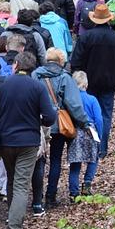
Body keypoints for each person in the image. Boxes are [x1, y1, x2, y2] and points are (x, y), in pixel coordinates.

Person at [0, 51, 56, 229]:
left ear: (16, 65)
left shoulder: (2, 83)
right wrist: (38, 119)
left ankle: (12, 219)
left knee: (12, 179)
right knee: (21, 184)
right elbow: (50, 116)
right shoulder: (37, 87)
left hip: (6, 140)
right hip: (28, 142)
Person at [69, 3, 115, 167]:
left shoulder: (86, 38)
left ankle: (86, 147)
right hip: (109, 83)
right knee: (105, 114)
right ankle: (101, 148)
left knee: (86, 114)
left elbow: (75, 61)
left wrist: (77, 77)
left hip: (87, 83)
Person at [32, 48, 90, 210]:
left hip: (41, 123)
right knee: (56, 159)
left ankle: (37, 197)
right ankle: (51, 196)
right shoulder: (65, 77)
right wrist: (85, 122)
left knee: (40, 160)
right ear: (61, 60)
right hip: (61, 125)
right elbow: (74, 104)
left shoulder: (36, 75)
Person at [67, 71, 106, 200]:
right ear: (85, 84)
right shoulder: (92, 99)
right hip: (90, 132)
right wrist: (99, 135)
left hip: (75, 133)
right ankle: (87, 184)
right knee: (93, 159)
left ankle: (73, 192)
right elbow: (99, 119)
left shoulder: (71, 100)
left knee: (75, 163)